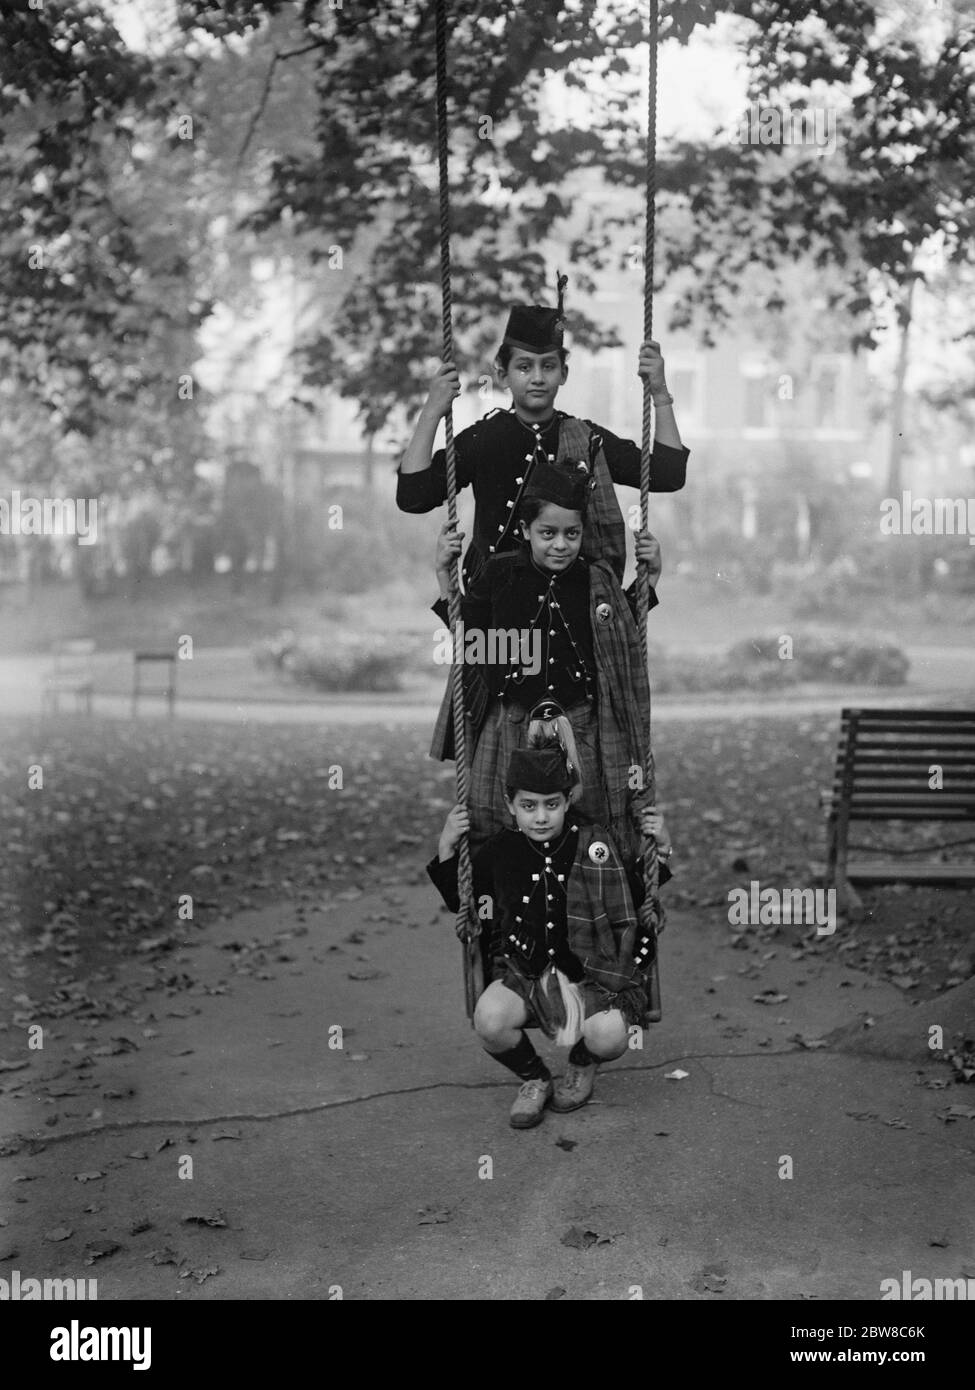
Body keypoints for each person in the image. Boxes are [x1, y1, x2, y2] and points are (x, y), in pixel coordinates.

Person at [432, 456, 661, 867]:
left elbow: (620, 634)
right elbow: (468, 638)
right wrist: (443, 577)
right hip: (511, 723)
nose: (560, 544)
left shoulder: (595, 578)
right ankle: (497, 917)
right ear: (525, 531)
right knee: (498, 824)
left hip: (582, 724)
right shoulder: (500, 573)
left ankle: (595, 909)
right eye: (547, 533)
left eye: (572, 534)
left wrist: (652, 578)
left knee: (593, 822)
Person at [428, 743, 671, 1128]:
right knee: (489, 1021)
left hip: (592, 975)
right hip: (526, 974)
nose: (541, 817)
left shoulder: (594, 844)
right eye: (529, 806)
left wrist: (662, 848)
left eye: (551, 805)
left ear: (566, 801)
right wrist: (446, 847)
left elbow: (636, 897)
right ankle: (536, 1079)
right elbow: (469, 904)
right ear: (511, 805)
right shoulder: (501, 851)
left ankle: (581, 1062)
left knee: (610, 1037)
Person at [397, 276, 688, 593]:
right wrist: (431, 412)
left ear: (563, 373)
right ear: (502, 374)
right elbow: (413, 497)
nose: (537, 378)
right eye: (524, 367)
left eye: (548, 366)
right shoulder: (483, 440)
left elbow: (667, 475)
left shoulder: (587, 439)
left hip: (572, 604)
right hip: (497, 602)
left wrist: (659, 394)